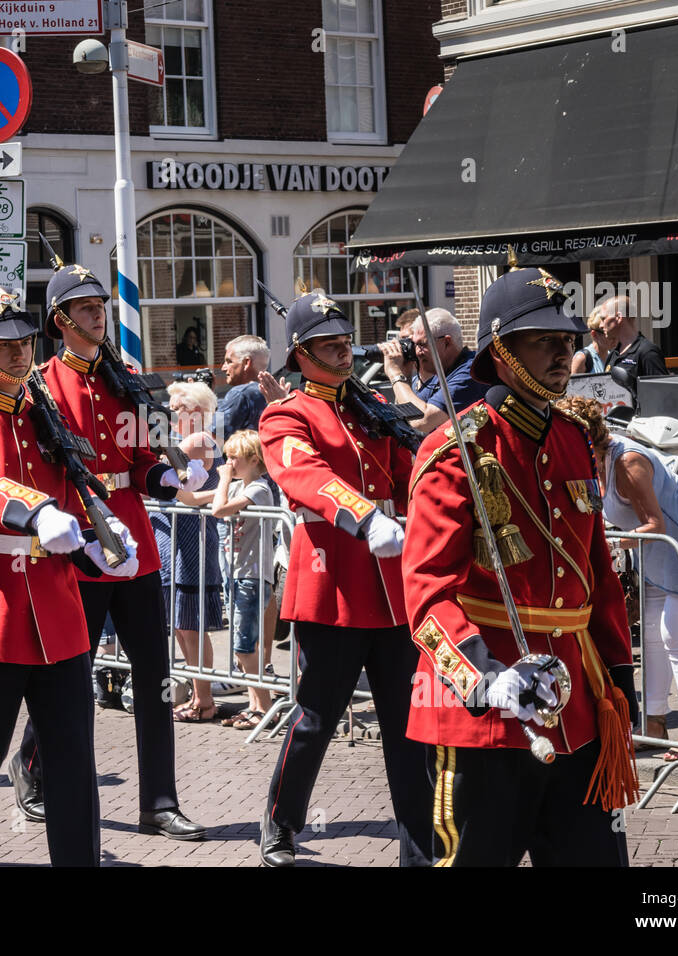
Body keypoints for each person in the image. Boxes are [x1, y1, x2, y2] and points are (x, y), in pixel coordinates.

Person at [404, 267, 638, 867]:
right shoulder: (458, 447)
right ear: (501, 351)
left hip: (578, 708)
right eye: (544, 341)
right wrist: (484, 677)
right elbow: (429, 593)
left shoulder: (573, 436)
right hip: (486, 710)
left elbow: (598, 575)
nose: (564, 354)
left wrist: (616, 675)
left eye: (566, 341)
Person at [0, 282, 137, 866]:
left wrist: (99, 538)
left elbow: (79, 486)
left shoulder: (49, 419)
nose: (18, 353)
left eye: (23, 342)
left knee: (71, 758)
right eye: (2, 343)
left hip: (57, 609)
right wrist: (35, 510)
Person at [8, 254, 207, 840]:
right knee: (67, 676)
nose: (100, 316)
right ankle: (33, 766)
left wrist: (168, 478)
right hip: (81, 544)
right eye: (88, 309)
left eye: (101, 307)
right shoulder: (40, 383)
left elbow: (141, 459)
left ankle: (159, 801)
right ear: (61, 320)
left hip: (135, 542)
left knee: (155, 673)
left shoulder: (122, 376)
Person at [257, 290, 431, 868]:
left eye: (346, 340)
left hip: (393, 589)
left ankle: (421, 849)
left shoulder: (372, 404)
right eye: (329, 344)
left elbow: (410, 472)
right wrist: (363, 515)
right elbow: (304, 475)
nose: (343, 350)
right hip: (333, 585)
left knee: (409, 728)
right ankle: (281, 822)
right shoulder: (286, 414)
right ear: (301, 354)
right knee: (314, 719)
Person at [558, 395, 678, 762]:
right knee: (649, 639)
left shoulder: (628, 462)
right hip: (653, 559)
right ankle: (654, 725)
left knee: (674, 636)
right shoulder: (590, 460)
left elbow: (655, 524)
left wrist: (607, 538)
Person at [153, 382, 224, 722]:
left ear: (195, 411)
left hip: (191, 539)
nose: (171, 412)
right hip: (181, 538)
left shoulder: (197, 441)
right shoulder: (193, 440)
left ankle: (204, 700)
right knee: (184, 624)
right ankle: (200, 698)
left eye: (177, 407)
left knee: (190, 624)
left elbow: (186, 495)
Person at [210, 429, 276, 730]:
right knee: (243, 647)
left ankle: (263, 707)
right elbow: (202, 499)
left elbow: (218, 509)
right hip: (236, 575)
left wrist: (223, 478)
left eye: (233, 458)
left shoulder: (259, 488)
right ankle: (254, 704)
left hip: (251, 576)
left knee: (243, 646)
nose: (228, 463)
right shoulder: (241, 487)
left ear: (253, 460)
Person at [379, 308, 483, 435]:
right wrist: (404, 376)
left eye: (422, 344)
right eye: (414, 345)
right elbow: (407, 414)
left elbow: (422, 421)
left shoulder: (470, 372)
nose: (417, 352)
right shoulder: (440, 374)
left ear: (446, 342)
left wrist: (395, 374)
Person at [216, 334, 270, 440]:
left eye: (229, 361)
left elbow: (212, 439)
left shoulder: (240, 394)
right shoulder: (273, 392)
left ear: (246, 363)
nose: (223, 368)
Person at [601, 296, 668, 377]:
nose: (601, 325)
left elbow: (661, 388)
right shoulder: (613, 354)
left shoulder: (647, 353)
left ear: (618, 317)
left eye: (603, 318)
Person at [570, 305, 612, 375]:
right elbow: (573, 385)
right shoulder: (581, 359)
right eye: (606, 332)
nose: (612, 336)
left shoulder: (611, 356)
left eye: (612, 331)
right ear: (594, 334)